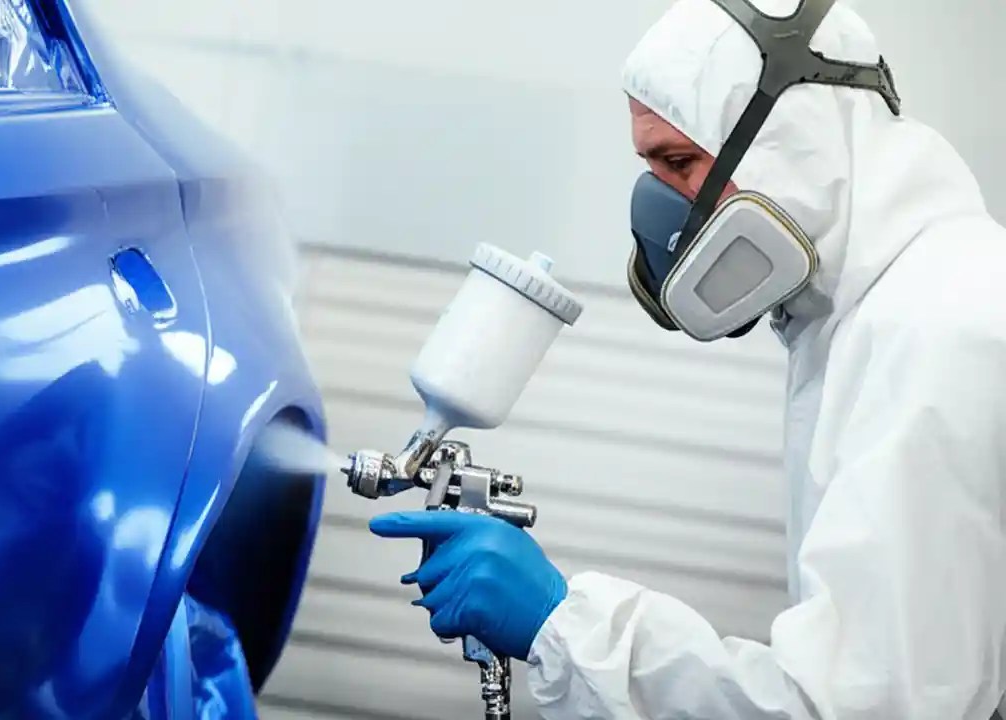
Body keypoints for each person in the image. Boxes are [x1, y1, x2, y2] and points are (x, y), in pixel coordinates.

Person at [368, 0, 1006, 717]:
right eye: (651, 167)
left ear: (797, 147)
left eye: (679, 163)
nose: (663, 212)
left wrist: (564, 625)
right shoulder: (865, 317)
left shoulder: (938, 335)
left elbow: (857, 708)